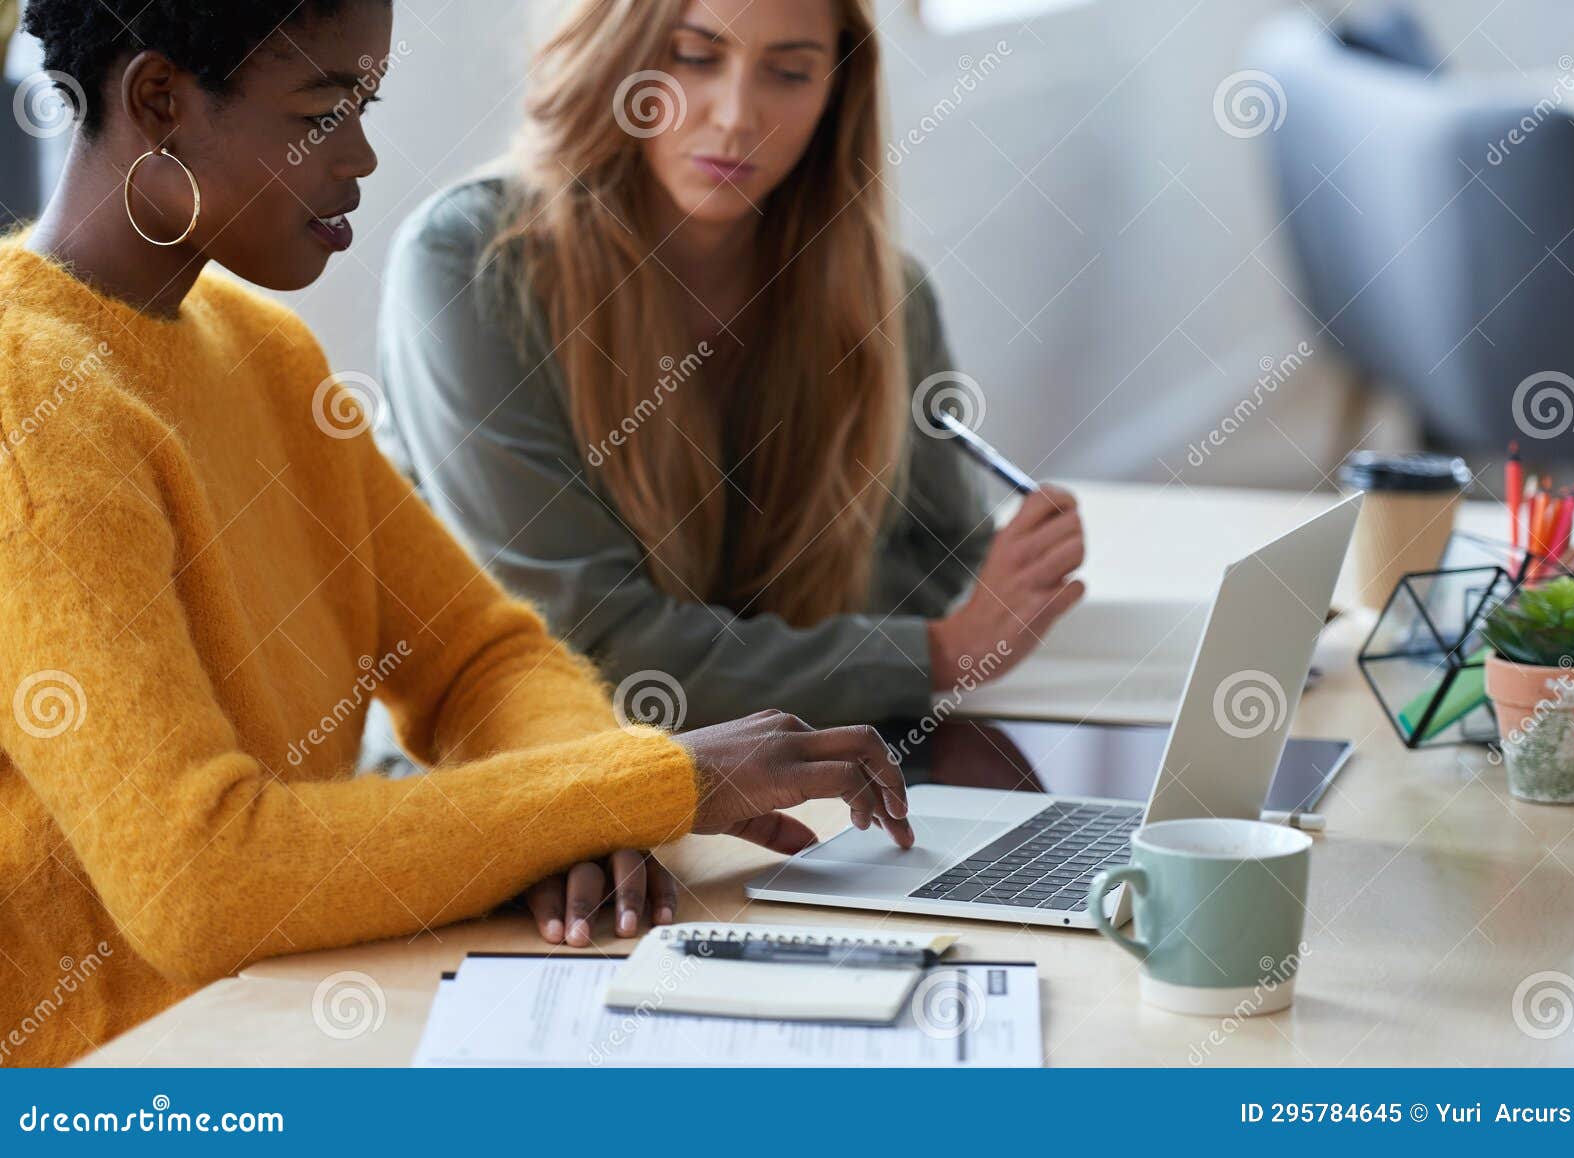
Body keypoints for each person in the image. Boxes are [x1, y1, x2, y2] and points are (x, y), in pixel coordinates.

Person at [0, 0, 911, 1069]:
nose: (364, 152)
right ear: (160, 100)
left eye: (365, 102)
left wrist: (575, 818)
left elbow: (482, 654)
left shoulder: (263, 352)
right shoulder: (33, 408)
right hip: (120, 1074)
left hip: (300, 1016)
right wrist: (649, 784)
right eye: (324, 108)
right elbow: (200, 883)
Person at [377, 0, 1088, 735]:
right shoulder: (467, 266)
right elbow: (586, 650)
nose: (737, 117)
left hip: (795, 774)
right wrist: (938, 653)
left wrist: (1007, 580)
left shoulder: (885, 298)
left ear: (837, 90)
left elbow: (935, 559)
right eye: (694, 57)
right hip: (521, 794)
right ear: (619, 55)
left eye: (788, 72)